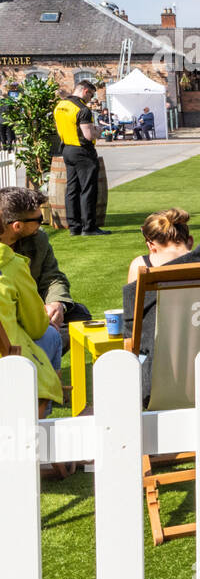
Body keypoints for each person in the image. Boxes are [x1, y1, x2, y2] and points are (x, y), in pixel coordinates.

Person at [122, 209, 200, 406]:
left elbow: (131, 332)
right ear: (189, 240)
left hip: (163, 379)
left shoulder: (142, 268)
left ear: (151, 246)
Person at [2, 187, 88, 355]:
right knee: (47, 334)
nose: (42, 223)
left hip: (34, 313)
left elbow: (53, 277)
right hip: (12, 316)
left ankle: (39, 356)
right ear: (17, 225)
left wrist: (57, 304)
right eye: (38, 219)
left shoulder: (38, 240)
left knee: (79, 314)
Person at [1, 229, 63, 416]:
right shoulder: (12, 265)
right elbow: (36, 327)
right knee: (51, 335)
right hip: (9, 361)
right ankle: (42, 417)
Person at [54, 81, 109, 236]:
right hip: (83, 151)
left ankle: (74, 226)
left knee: (72, 189)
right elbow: (89, 135)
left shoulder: (60, 106)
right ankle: (89, 227)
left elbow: (59, 130)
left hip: (67, 149)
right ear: (85, 91)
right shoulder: (83, 109)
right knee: (88, 189)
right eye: (91, 95)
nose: (90, 99)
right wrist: (98, 132)